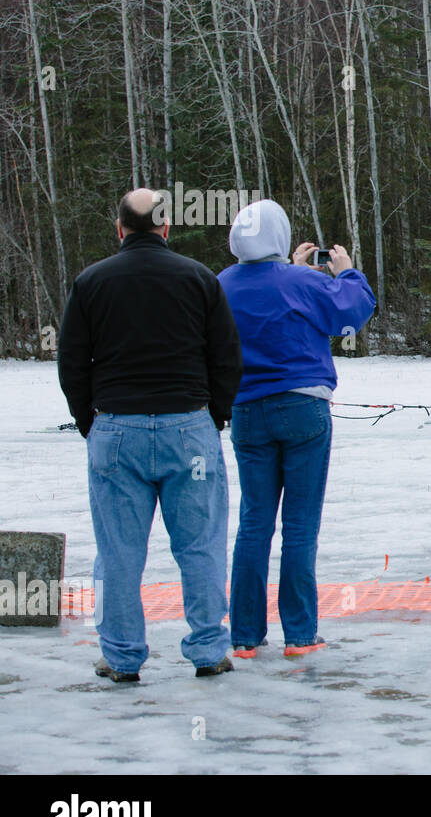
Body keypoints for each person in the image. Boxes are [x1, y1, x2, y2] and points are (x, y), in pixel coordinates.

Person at [57, 188, 243, 682]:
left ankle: (121, 658)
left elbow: (72, 362)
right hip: (189, 429)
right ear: (165, 228)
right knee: (200, 545)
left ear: (119, 229)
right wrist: (215, 417)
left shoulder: (91, 282)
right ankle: (208, 650)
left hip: (116, 430)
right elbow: (226, 356)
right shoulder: (198, 278)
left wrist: (89, 422)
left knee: (118, 551)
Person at [217, 200, 376, 658]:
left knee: (253, 524)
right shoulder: (303, 281)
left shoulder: (220, 285)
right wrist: (345, 271)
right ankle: (300, 635)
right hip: (303, 407)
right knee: (300, 526)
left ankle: (244, 637)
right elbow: (351, 314)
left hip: (246, 411)